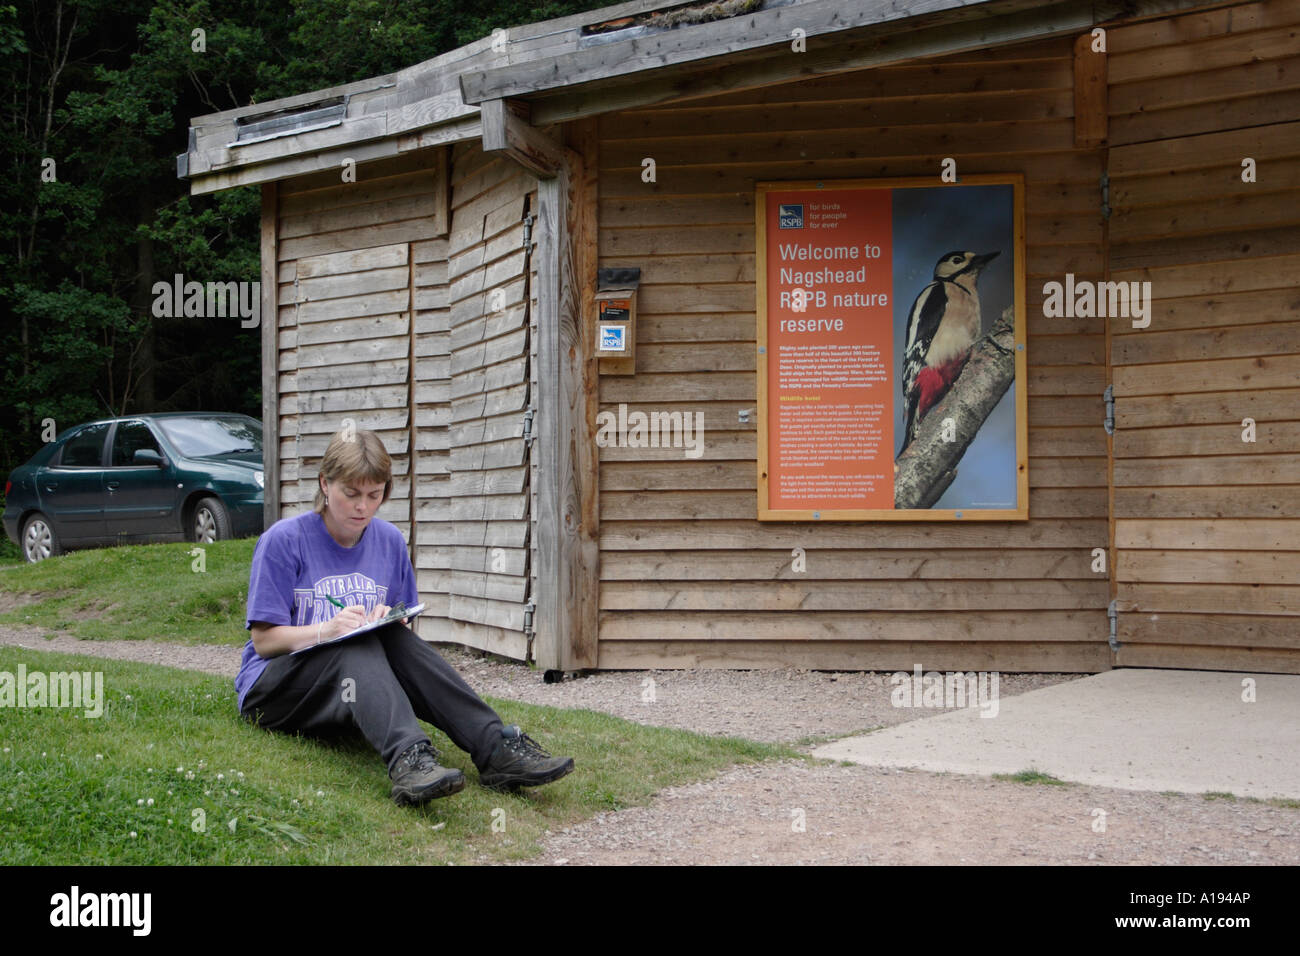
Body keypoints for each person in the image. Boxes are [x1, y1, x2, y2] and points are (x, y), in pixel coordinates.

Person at [235, 428, 574, 807]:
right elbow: (264, 642)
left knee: (390, 636)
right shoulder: (284, 540)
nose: (362, 507)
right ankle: (409, 759)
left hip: (346, 690)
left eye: (374, 495)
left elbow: (402, 634)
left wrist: (390, 618)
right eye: (351, 493)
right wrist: (324, 630)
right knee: (354, 644)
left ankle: (495, 747)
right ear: (324, 485)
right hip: (274, 692)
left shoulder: (389, 541)